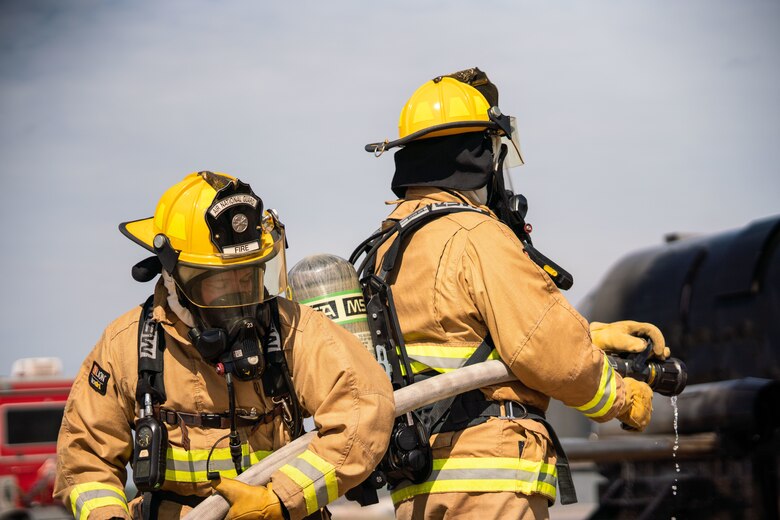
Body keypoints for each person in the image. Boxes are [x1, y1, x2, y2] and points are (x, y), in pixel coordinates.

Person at [360, 68, 670, 520]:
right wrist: (623, 397)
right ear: (478, 155)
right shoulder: (476, 235)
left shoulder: (386, 247)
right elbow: (548, 352)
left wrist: (593, 334)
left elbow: (463, 338)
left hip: (423, 484)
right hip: (492, 483)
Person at [54, 171, 395, 520]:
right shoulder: (126, 345)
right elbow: (85, 459)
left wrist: (281, 500)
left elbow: (364, 409)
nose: (240, 298)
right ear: (175, 279)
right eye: (220, 282)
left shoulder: (293, 329)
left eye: (248, 277)